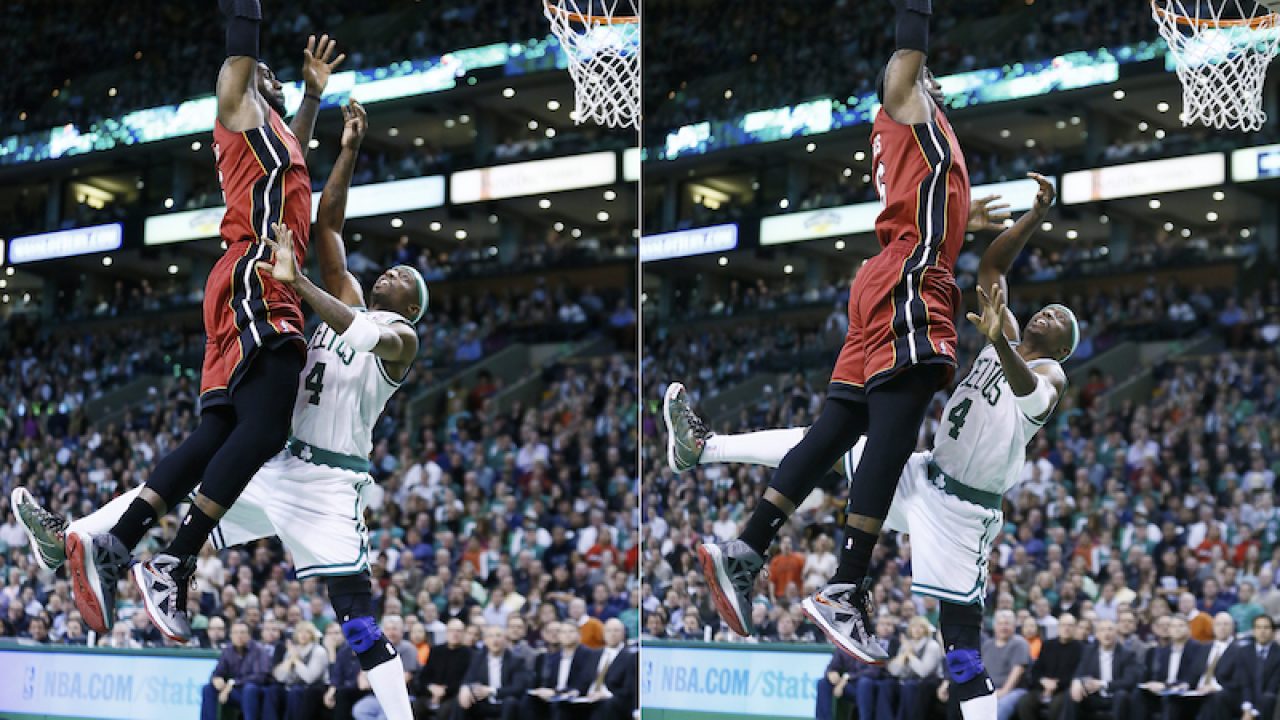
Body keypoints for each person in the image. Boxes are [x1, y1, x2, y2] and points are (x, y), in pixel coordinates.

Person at [13, 102, 421, 720]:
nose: (391, 272)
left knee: (358, 622)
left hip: (333, 487)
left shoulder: (402, 338)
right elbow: (330, 227)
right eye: (391, 270)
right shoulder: (355, 299)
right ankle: (77, 537)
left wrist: (300, 284)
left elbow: (360, 333)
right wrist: (349, 151)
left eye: (404, 278)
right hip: (282, 463)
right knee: (197, 485)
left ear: (412, 307)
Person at [675, 173, 1069, 720]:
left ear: (1064, 347)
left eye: (1060, 321)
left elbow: (1031, 390)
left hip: (963, 513)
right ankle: (705, 447)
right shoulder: (1004, 327)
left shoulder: (1050, 374)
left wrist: (1001, 341)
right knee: (826, 444)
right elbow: (993, 269)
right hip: (925, 475)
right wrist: (1034, 218)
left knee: (959, 641)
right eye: (1047, 309)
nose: (1049, 313)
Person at [689, 0, 990, 670]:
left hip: (886, 277)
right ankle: (845, 587)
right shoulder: (905, 106)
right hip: (912, 276)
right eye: (919, 73)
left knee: (836, 430)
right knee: (891, 436)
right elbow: (907, 49)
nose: (928, 77)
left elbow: (935, 200)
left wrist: (975, 209)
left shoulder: (928, 141)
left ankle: (745, 548)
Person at [64, 0, 344, 641]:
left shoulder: (278, 138)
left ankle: (120, 540)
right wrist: (246, 13)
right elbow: (238, 61)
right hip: (256, 277)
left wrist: (311, 95)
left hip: (243, 283)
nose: (267, 77)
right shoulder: (238, 112)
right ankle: (173, 559)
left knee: (221, 430)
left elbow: (297, 142)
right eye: (263, 73)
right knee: (268, 422)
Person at [1063, 619, 1142, 720]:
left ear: (1116, 633)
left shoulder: (1127, 654)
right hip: (1094, 697)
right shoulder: (1088, 652)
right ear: (1097, 635)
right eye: (1102, 630)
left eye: (1110, 630)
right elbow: (1079, 671)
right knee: (1071, 693)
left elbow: (1129, 681)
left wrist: (1101, 684)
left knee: (1121, 695)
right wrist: (1076, 681)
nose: (1106, 633)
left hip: (1115, 698)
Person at [1133, 615, 1209, 720]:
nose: (1177, 629)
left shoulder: (1198, 648)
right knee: (1139, 694)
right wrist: (1154, 683)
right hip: (1165, 691)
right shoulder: (1164, 650)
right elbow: (1160, 675)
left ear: (1189, 629)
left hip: (1185, 695)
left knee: (1171, 699)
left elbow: (1193, 675)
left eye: (1181, 626)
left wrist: (1167, 685)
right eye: (1173, 626)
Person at [524, 622, 601, 720]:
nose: (567, 635)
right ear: (559, 636)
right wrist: (545, 690)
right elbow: (550, 681)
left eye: (571, 631)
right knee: (529, 701)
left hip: (575, 698)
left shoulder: (589, 654)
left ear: (579, 635)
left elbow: (585, 680)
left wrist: (561, 692)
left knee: (560, 705)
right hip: (555, 696)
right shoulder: (554, 657)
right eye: (563, 632)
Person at [1015, 614, 1084, 720]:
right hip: (1043, 687)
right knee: (1025, 702)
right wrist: (1043, 681)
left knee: (1057, 705)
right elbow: (1036, 670)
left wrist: (1056, 684)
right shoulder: (1047, 645)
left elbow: (1078, 673)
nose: (1066, 628)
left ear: (1075, 628)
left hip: (1064, 689)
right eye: (1063, 625)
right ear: (1058, 627)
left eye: (1070, 625)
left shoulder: (1081, 648)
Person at [456, 624, 531, 719]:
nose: (495, 640)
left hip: (504, 703)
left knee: (510, 702)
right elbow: (468, 678)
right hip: (483, 703)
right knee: (461, 700)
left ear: (505, 640)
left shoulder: (516, 661)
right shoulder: (477, 659)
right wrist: (465, 688)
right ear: (485, 641)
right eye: (490, 636)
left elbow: (518, 688)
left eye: (498, 636)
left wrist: (491, 691)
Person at [1212, 614, 1279, 720]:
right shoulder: (1243, 651)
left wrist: (1253, 712)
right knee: (1220, 696)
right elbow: (1244, 681)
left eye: (1266, 627)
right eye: (1258, 627)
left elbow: (1273, 686)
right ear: (1253, 631)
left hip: (1267, 699)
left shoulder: (1278, 653)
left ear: (1273, 631)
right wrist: (1247, 707)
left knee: (1268, 698)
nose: (1262, 631)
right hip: (1245, 698)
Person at [202, 621, 271, 720]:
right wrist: (216, 679)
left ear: (249, 635)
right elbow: (217, 672)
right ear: (230, 635)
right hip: (235, 693)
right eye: (235, 632)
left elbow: (260, 677)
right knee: (208, 689)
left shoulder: (259, 650)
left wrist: (232, 683)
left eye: (243, 632)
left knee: (250, 688)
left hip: (256, 694)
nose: (239, 636)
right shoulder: (228, 650)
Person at [576, 619, 637, 720]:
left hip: (613, 700)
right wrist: (576, 691)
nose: (612, 634)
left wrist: (606, 695)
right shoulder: (594, 654)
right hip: (589, 698)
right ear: (603, 633)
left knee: (604, 706)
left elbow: (629, 688)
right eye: (608, 631)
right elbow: (584, 680)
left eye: (616, 630)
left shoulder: (630, 657)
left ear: (623, 633)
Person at [886, 616, 944, 720]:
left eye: (920, 627)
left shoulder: (932, 645)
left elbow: (923, 672)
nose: (916, 630)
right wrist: (903, 656)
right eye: (914, 627)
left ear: (925, 630)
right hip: (908, 681)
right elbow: (894, 672)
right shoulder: (907, 645)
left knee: (909, 687)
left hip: (929, 683)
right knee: (885, 685)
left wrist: (911, 656)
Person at [414, 619, 474, 719]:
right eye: (451, 630)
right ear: (446, 632)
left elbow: (466, 679)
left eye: (458, 631)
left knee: (445, 711)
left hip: (452, 696)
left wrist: (444, 691)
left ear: (464, 633)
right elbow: (424, 676)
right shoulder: (435, 650)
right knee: (415, 707)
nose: (455, 634)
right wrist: (431, 688)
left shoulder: (470, 654)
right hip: (430, 693)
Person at [983, 610, 1032, 720]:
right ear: (994, 626)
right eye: (1000, 624)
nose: (1003, 627)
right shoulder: (987, 645)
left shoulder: (1020, 643)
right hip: (989, 690)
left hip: (1015, 690)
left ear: (1014, 626)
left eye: (1007, 624)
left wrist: (1003, 691)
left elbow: (1018, 670)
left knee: (1000, 707)